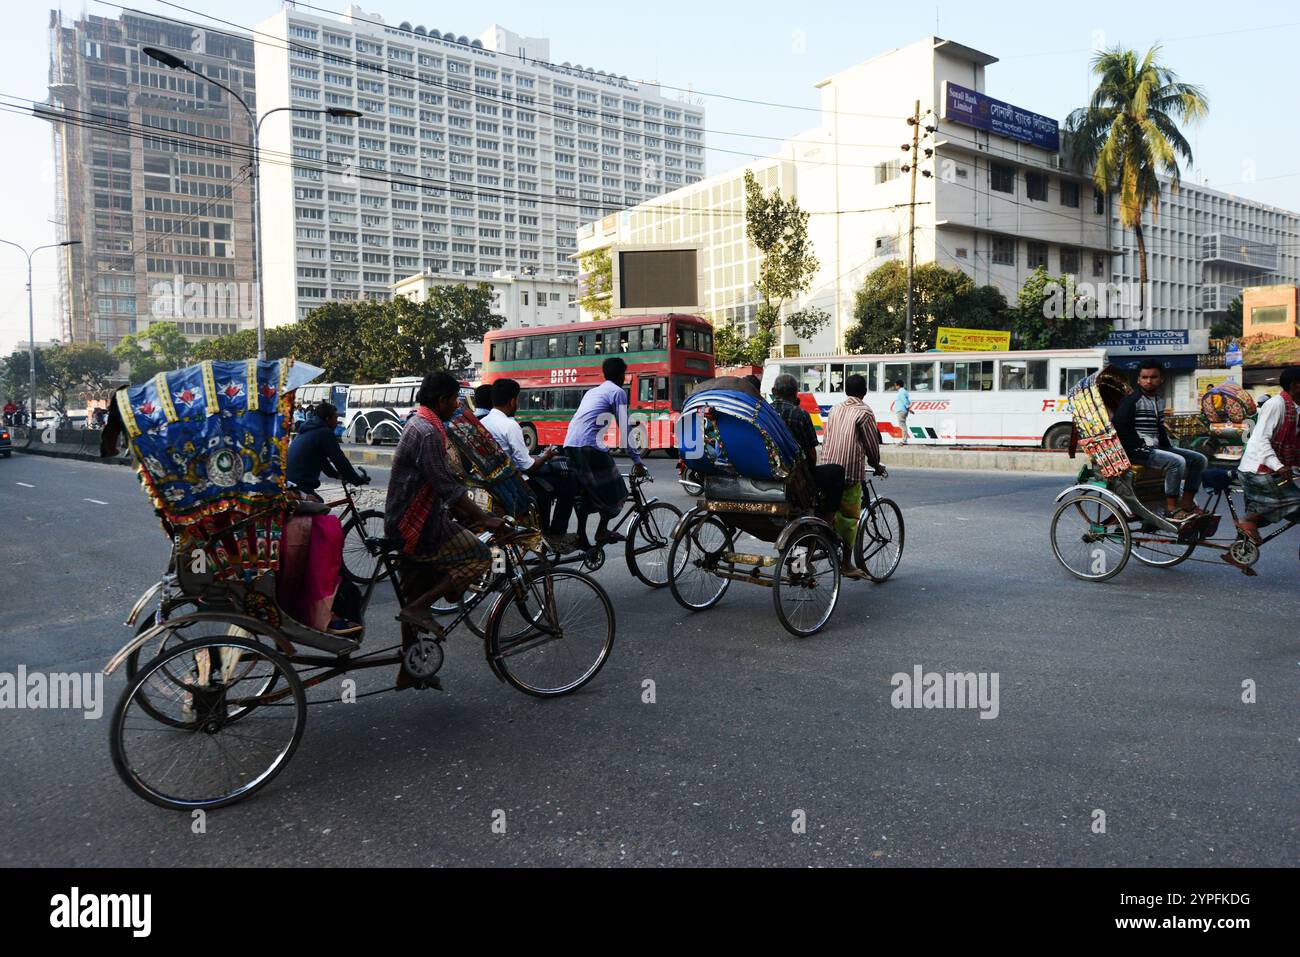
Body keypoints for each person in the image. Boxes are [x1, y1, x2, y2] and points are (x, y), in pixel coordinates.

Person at [384, 371, 502, 641]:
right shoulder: (428, 433)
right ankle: (424, 605)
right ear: (440, 400)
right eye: (453, 400)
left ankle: (409, 665)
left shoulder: (419, 422)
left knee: (415, 588)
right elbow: (445, 486)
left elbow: (441, 482)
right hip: (416, 524)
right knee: (481, 556)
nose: (457, 406)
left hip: (407, 517)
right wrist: (485, 518)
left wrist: (464, 511)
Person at [483, 378, 579, 552]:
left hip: (496, 481)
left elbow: (518, 458)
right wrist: (546, 455)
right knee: (568, 482)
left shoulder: (484, 423)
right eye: (517, 399)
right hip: (515, 484)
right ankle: (555, 533)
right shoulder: (510, 425)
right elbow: (528, 466)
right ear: (512, 401)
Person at [562, 357, 647, 546]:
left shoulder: (593, 391)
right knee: (618, 490)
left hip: (570, 444)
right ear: (621, 376)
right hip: (589, 446)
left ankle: (581, 536)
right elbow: (624, 429)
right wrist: (637, 461)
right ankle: (601, 531)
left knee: (585, 493)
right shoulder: (617, 392)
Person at [1113, 360, 1207, 520]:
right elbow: (1120, 426)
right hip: (1137, 451)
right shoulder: (1131, 400)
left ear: (1161, 378)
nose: (1148, 381)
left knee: (1199, 459)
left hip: (1155, 448)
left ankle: (1187, 503)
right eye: (1144, 377)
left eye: (1153, 377)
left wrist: (1168, 447)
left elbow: (1159, 427)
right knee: (1177, 462)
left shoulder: (1158, 400)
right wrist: (1139, 445)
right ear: (1138, 380)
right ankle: (1172, 509)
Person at [820, 374, 886, 580]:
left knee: (825, 512)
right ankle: (846, 563)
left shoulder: (835, 409)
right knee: (848, 519)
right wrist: (876, 465)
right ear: (864, 391)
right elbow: (871, 445)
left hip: (827, 468)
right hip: (849, 472)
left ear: (846, 391)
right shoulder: (864, 412)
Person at [768, 373, 845, 528]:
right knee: (837, 471)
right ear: (796, 393)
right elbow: (811, 454)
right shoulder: (800, 415)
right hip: (795, 476)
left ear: (773, 391)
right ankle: (828, 519)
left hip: (768, 471)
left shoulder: (764, 413)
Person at [1235, 366, 1300, 544]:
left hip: (1273, 469)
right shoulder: (1276, 405)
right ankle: (1249, 520)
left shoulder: (1296, 408)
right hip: (1257, 470)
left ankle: (1245, 541)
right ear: (1296, 386)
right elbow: (1260, 440)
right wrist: (1278, 466)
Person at [287, 401, 370, 496]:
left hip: (291, 482)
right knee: (321, 507)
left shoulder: (308, 429)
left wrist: (337, 475)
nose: (336, 421)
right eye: (335, 418)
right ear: (327, 419)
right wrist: (356, 479)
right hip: (300, 484)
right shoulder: (325, 433)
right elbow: (339, 460)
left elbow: (322, 461)